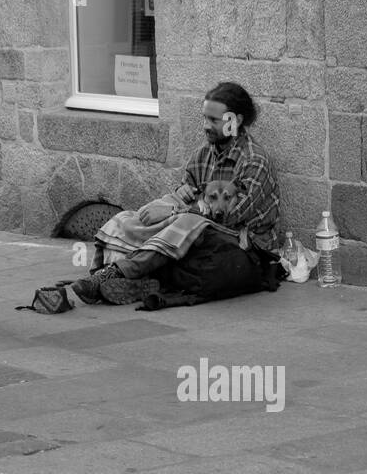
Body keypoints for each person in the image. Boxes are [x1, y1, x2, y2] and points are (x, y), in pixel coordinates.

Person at [71, 82, 282, 307]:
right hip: (197, 234)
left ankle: (114, 274)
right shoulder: (201, 156)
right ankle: (130, 278)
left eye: (214, 120)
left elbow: (230, 216)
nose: (206, 126)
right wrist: (168, 207)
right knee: (128, 219)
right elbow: (185, 195)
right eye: (204, 118)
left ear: (236, 121)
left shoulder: (255, 160)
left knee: (187, 222)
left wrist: (173, 210)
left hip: (245, 245)